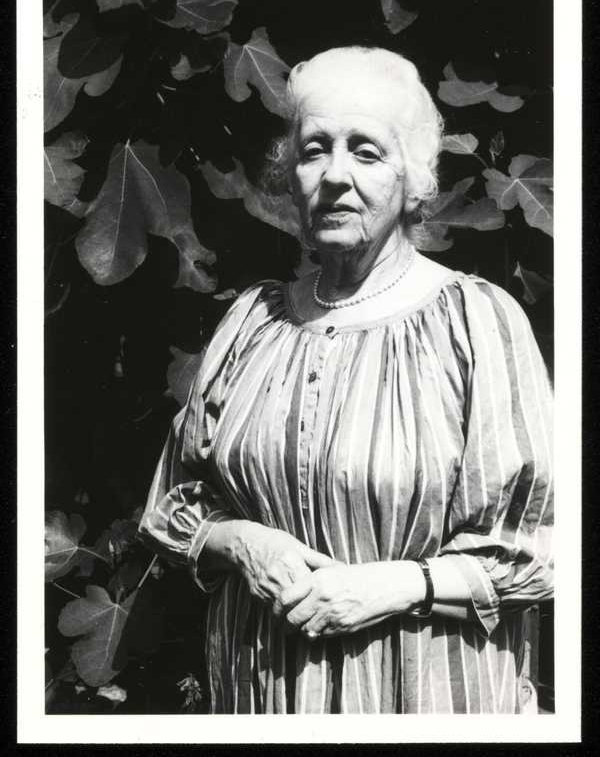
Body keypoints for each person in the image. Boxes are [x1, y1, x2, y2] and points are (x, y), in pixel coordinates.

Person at [138, 46, 553, 714]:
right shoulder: (253, 321)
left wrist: (395, 586)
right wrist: (243, 541)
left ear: (413, 179)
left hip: (426, 697)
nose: (334, 176)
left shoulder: (476, 323)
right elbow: (175, 506)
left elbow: (540, 545)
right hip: (262, 697)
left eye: (365, 151)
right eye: (313, 150)